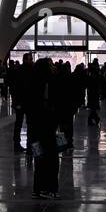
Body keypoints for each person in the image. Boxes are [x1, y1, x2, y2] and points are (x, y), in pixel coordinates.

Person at [30, 60, 60, 198]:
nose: (53, 67)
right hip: (47, 130)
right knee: (51, 159)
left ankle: (38, 189)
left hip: (35, 131)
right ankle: (49, 189)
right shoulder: (49, 84)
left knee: (39, 158)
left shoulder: (33, 83)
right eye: (50, 65)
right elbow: (52, 107)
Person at [86, 59, 101, 126]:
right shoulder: (96, 77)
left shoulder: (90, 76)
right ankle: (94, 119)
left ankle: (94, 119)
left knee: (93, 108)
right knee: (93, 108)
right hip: (94, 93)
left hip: (91, 93)